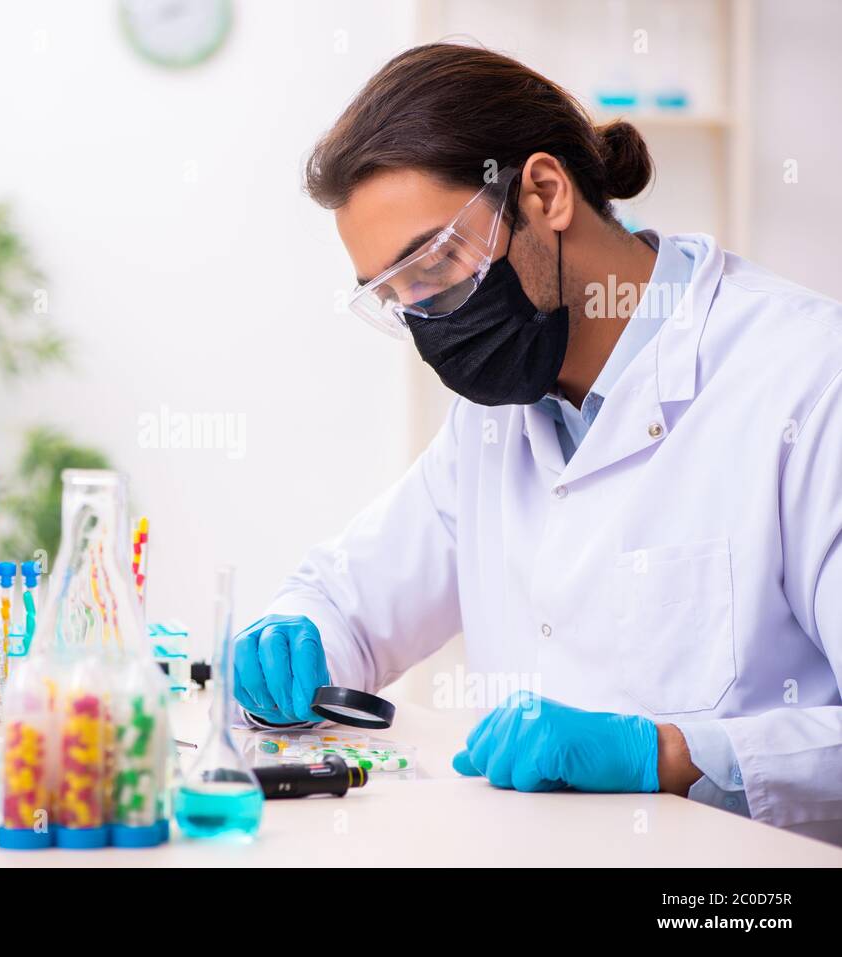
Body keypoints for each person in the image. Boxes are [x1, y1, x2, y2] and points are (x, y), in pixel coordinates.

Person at [234, 43, 842, 844]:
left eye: (435, 262)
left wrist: (674, 753)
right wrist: (296, 631)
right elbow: (350, 597)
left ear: (545, 193)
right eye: (393, 295)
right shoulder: (497, 419)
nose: (426, 317)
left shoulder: (804, 377)